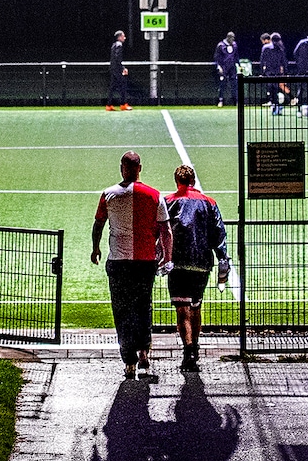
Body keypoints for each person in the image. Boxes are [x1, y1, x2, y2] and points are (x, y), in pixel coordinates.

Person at [90, 150, 170, 381]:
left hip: (118, 263)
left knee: (122, 311)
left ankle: (129, 362)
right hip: (145, 262)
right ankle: (144, 351)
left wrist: (95, 248)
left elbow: (98, 224)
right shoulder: (154, 195)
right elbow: (165, 228)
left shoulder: (109, 194)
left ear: (122, 168)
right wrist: (166, 254)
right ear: (140, 168)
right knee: (143, 306)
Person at [161, 164, 231, 367]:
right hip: (201, 262)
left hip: (178, 262)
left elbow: (162, 230)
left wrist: (161, 257)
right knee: (195, 306)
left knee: (182, 308)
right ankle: (196, 347)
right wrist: (222, 259)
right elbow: (219, 233)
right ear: (193, 180)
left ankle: (189, 351)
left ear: (177, 181)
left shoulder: (169, 201)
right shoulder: (209, 203)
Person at [259, 32, 288, 114]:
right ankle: (279, 106)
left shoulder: (266, 48)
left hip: (269, 73)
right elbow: (284, 62)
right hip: (278, 72)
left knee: (272, 90)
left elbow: (262, 61)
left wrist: (262, 72)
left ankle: (275, 106)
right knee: (278, 89)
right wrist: (285, 73)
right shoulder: (281, 48)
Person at [106, 30, 131, 111]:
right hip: (117, 70)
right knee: (123, 86)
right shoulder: (119, 45)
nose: (125, 38)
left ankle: (109, 105)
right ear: (119, 37)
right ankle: (123, 104)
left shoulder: (114, 45)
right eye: (123, 36)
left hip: (113, 69)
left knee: (112, 87)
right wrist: (123, 68)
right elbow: (117, 58)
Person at [212, 31, 238, 106]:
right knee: (222, 84)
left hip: (232, 67)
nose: (233, 40)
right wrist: (218, 66)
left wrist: (238, 65)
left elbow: (236, 56)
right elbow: (216, 57)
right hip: (224, 67)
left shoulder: (235, 45)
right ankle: (221, 100)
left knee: (234, 84)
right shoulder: (220, 45)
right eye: (232, 38)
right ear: (228, 37)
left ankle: (236, 101)